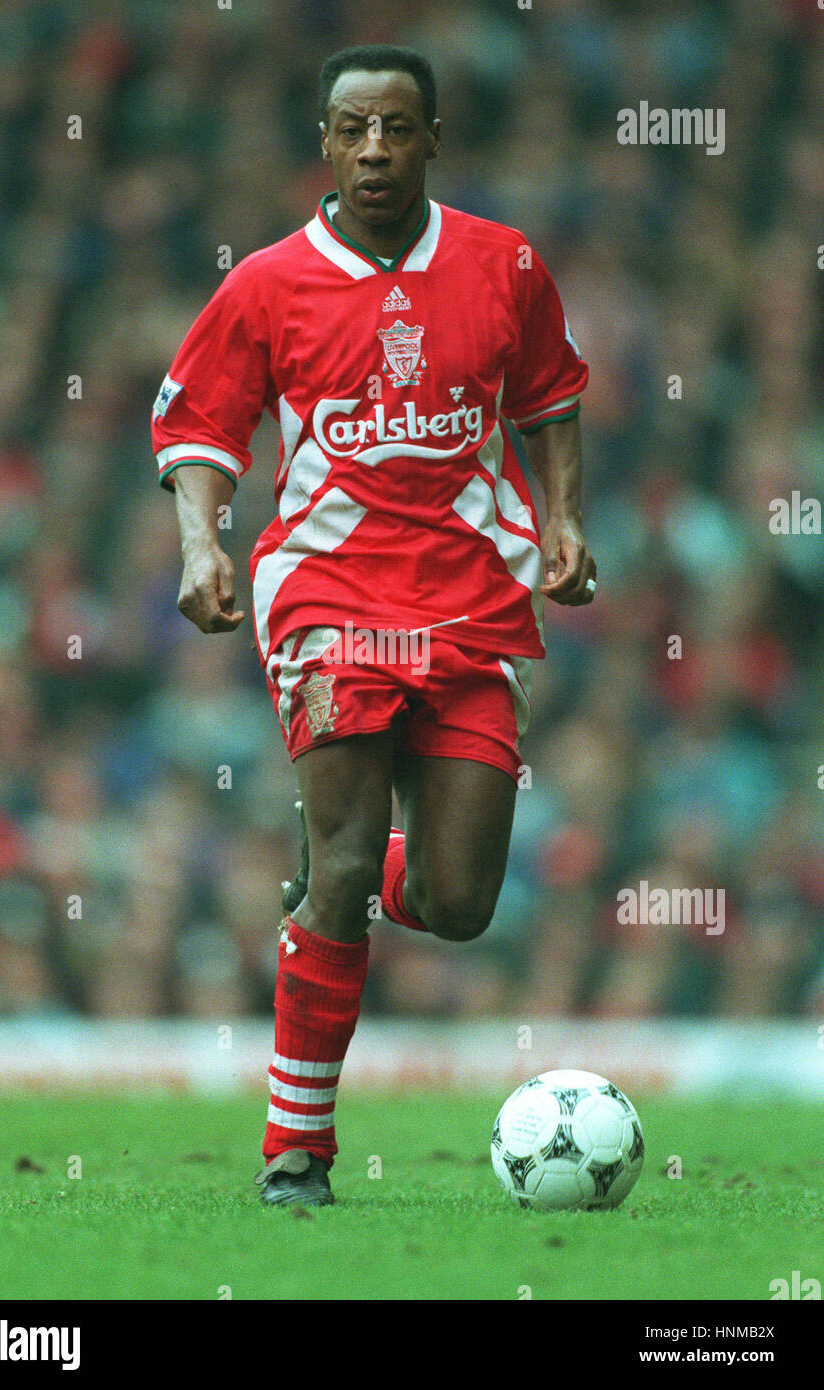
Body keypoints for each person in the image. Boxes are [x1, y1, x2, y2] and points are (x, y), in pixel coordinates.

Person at [152, 44, 595, 1207]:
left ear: (434, 138)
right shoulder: (265, 284)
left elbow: (550, 399)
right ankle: (296, 1148)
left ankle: (345, 880)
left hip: (474, 600)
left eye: (397, 128)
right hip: (328, 597)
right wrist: (201, 545)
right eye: (353, 129)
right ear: (324, 142)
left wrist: (563, 522)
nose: (376, 151)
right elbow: (199, 427)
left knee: (459, 905)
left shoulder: (505, 265)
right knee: (342, 862)